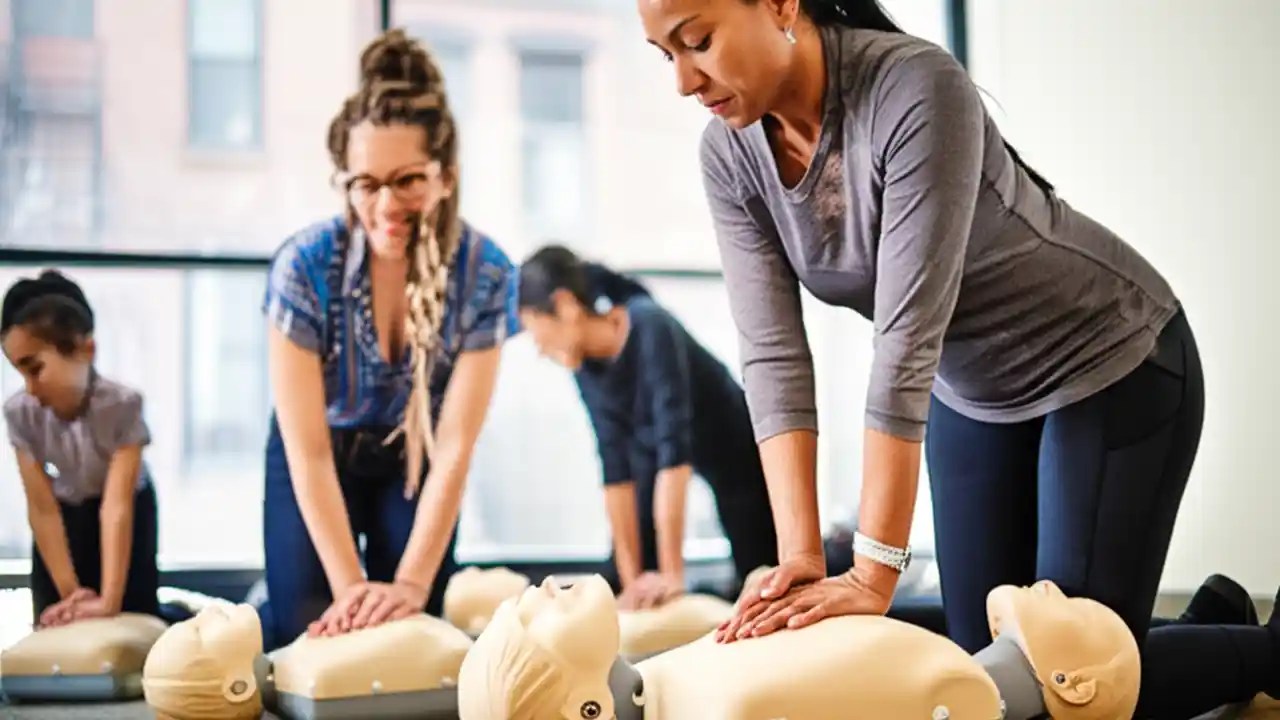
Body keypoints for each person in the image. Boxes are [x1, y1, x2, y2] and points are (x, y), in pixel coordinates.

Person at [258, 29, 519, 651]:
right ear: (345, 181)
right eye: (367, 183)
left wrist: (407, 584)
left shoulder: (487, 273)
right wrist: (350, 591)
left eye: (408, 180)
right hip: (320, 449)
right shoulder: (302, 266)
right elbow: (309, 452)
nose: (386, 204)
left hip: (416, 452)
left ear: (446, 177)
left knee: (409, 627)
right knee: (313, 630)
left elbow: (454, 447)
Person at [517, 245, 778, 608]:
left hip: (727, 442)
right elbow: (614, 469)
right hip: (653, 455)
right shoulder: (584, 366)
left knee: (761, 567)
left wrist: (673, 576)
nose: (539, 348)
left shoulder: (650, 324)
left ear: (565, 306)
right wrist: (631, 582)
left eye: (536, 330)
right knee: (632, 578)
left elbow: (676, 454)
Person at [1, 270, 159, 628]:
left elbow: (117, 506)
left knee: (132, 618)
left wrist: (109, 600)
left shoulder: (123, 404)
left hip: (126, 512)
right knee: (57, 621)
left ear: (86, 350)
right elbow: (42, 509)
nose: (29, 388)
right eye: (18, 372)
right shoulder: (20, 413)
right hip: (64, 515)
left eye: (35, 369)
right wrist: (72, 596)